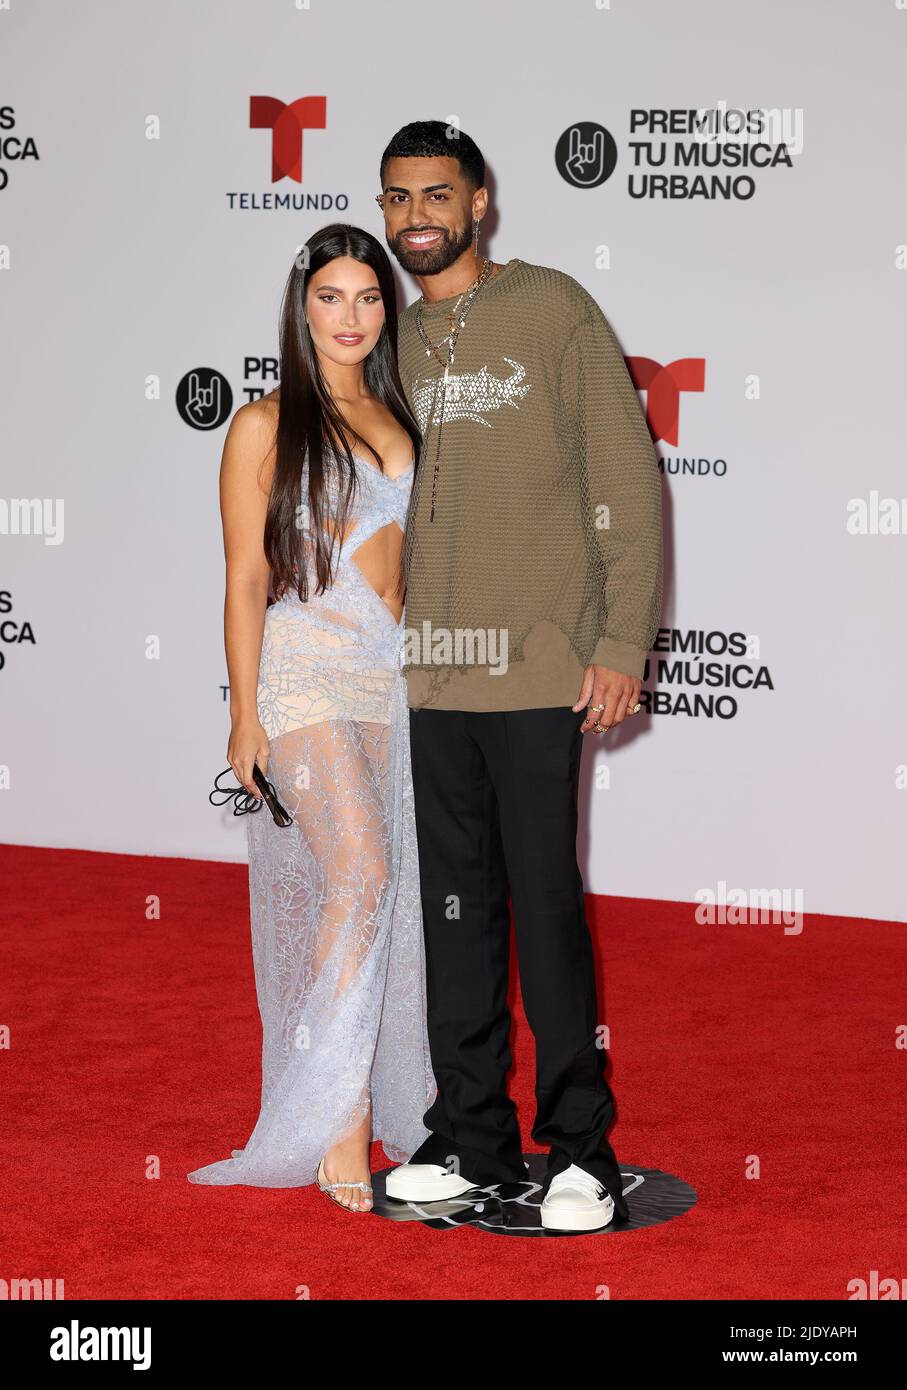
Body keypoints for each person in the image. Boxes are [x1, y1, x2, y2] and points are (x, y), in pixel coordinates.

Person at [377, 121, 664, 1232]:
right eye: (398, 197)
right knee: (455, 917)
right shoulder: (394, 339)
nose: (417, 217)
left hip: (541, 664)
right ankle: (471, 1136)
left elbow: (624, 478)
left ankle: (580, 1149)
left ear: (479, 201)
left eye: (436, 194)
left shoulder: (553, 309)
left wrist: (620, 640)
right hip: (433, 674)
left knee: (544, 909)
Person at [187, 224, 434, 1211]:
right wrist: (243, 714)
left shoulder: (400, 411)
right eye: (330, 297)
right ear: (302, 308)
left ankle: (376, 1092)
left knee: (378, 887)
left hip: (388, 676)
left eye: (368, 296)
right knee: (361, 869)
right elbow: (244, 578)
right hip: (300, 673)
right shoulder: (263, 423)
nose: (350, 316)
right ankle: (337, 1119)